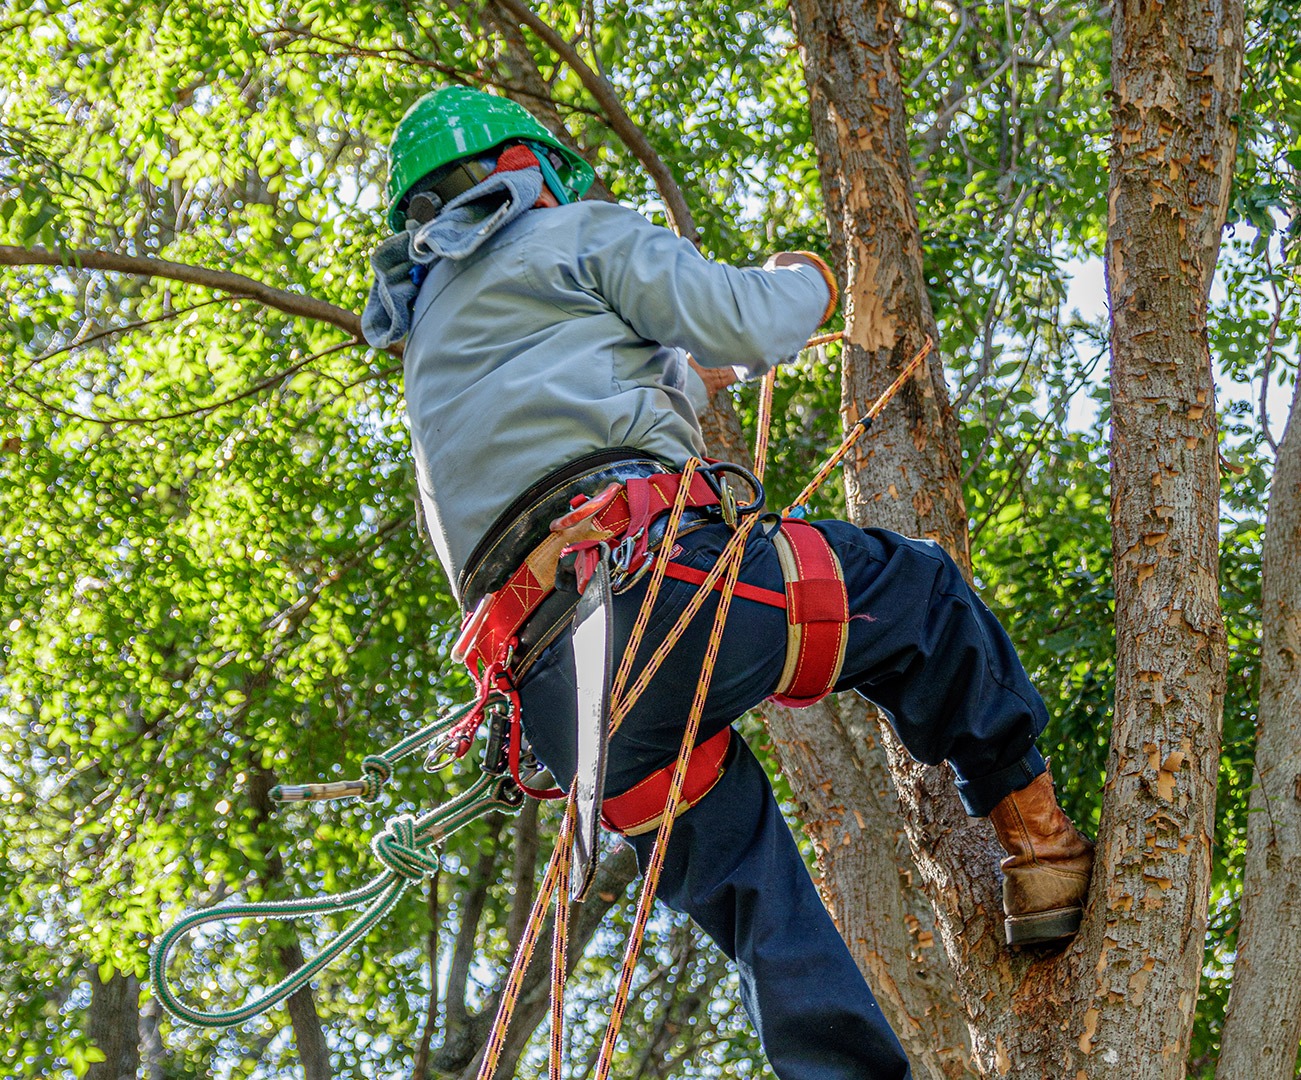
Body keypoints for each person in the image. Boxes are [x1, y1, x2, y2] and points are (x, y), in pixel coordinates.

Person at [364, 86, 1094, 1080]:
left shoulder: (429, 358)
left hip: (563, 706)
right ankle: (1035, 842)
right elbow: (743, 319)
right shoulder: (575, 231)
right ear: (520, 173)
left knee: (762, 911)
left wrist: (672, 376)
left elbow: (554, 420)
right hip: (659, 589)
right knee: (917, 597)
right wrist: (806, 281)